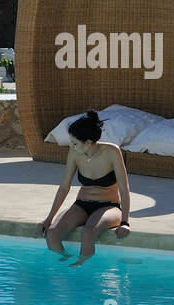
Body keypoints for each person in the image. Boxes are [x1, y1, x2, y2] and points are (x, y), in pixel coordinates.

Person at [38, 110, 131, 266]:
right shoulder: (75, 153)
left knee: (88, 232)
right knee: (52, 233)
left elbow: (124, 188)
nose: (71, 146)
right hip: (82, 204)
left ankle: (81, 268)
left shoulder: (112, 152)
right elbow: (64, 187)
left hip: (109, 206)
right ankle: (63, 262)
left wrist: (125, 222)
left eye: (74, 142)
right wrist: (48, 219)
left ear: (88, 142)